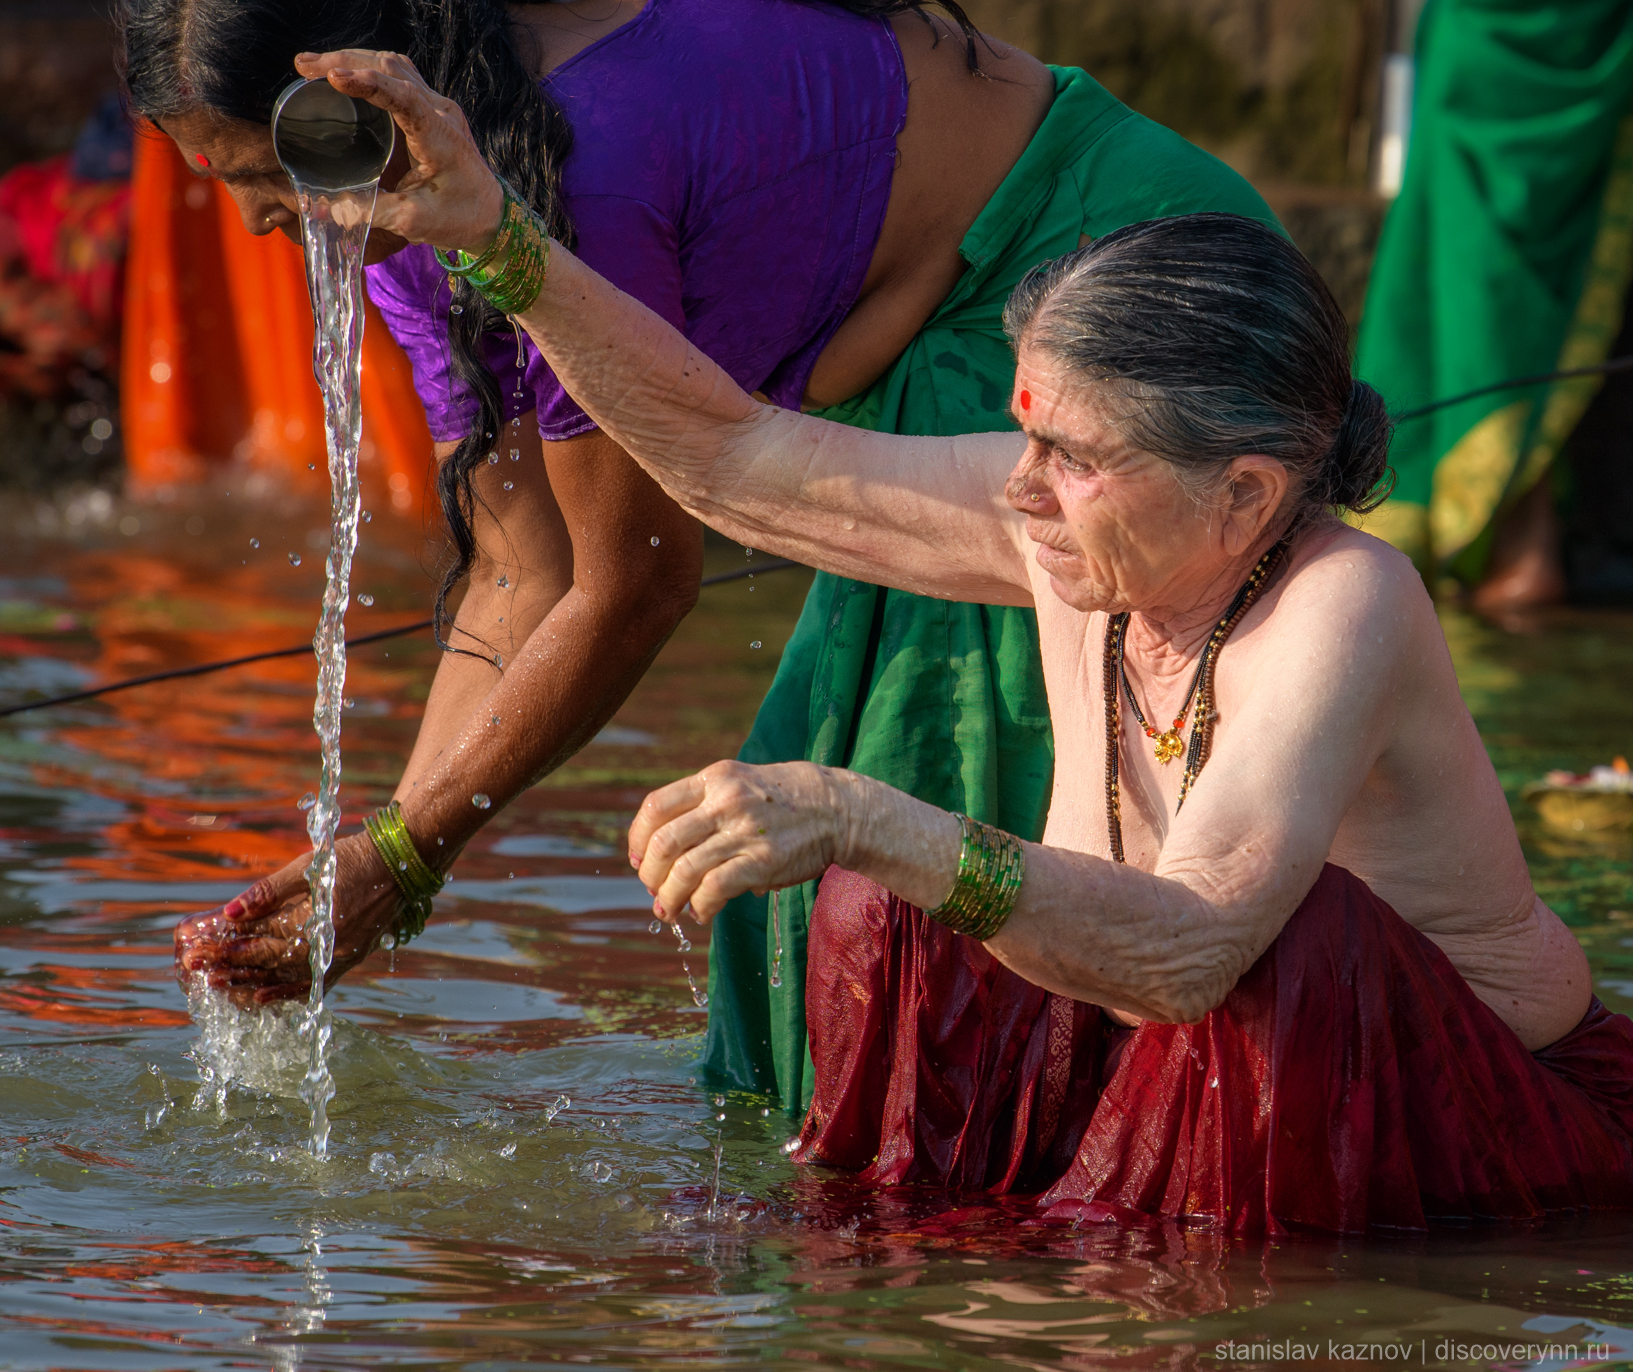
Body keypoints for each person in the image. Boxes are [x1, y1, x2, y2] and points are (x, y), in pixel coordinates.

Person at [288, 57, 1633, 1232]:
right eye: (1027, 435)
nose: (1026, 490)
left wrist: (865, 814)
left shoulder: (1346, 601)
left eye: (1076, 456)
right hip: (1175, 1078)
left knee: (1259, 933)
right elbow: (734, 457)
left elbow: (1193, 957)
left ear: (1247, 495)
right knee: (893, 913)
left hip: (1463, 1140)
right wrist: (499, 238)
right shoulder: (1064, 533)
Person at [140, 1, 1275, 1103]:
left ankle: (1035, 1222)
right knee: (799, 907)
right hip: (910, 341)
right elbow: (518, 569)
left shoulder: (577, 170)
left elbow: (634, 579)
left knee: (903, 853)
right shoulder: (406, 209)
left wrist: (409, 855)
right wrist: (380, 852)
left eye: (258, 177)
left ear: (346, 114)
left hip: (1101, 283)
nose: (248, 224)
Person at [1355, 0, 1633, 611]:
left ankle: (1516, 538)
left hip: (1494, 44)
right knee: (1479, 282)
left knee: (1468, 280)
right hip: (1560, 41)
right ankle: (1523, 535)